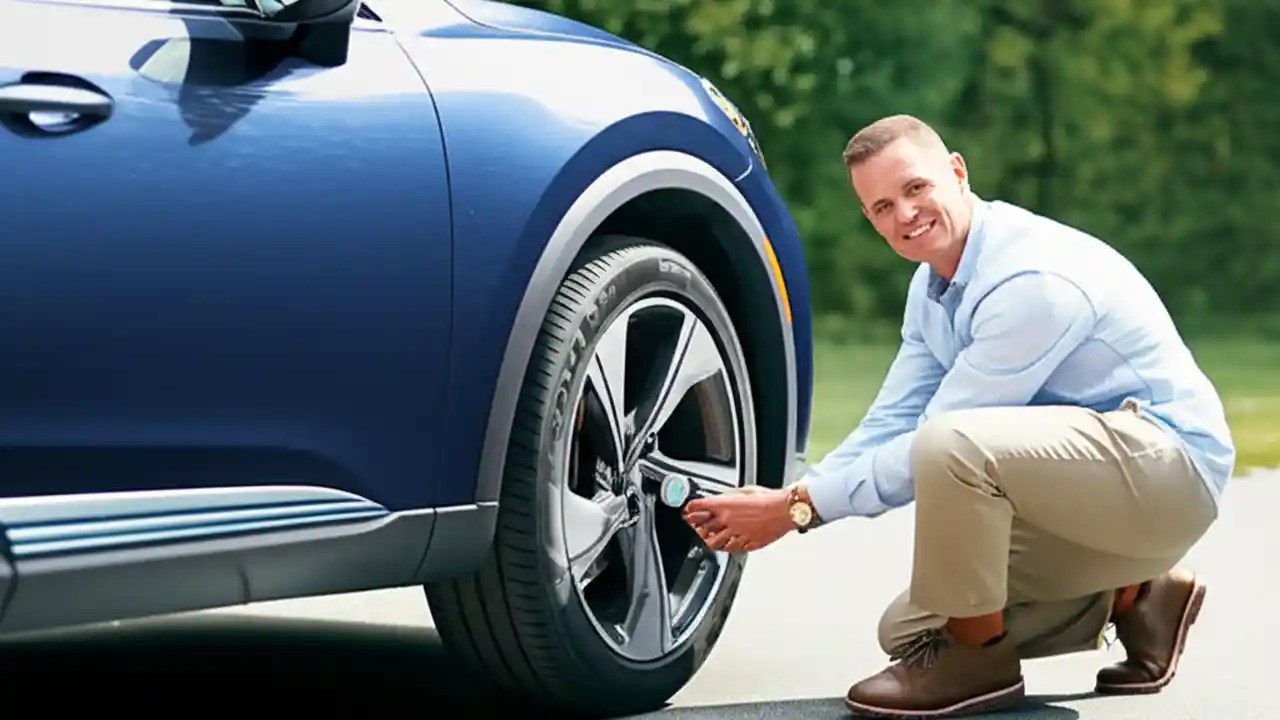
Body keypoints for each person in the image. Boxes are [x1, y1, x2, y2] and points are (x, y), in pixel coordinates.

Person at [682, 114, 1234, 718]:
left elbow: (936, 444)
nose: (904, 216)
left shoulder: (1028, 281)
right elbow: (891, 421)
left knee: (951, 449)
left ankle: (978, 667)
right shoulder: (932, 289)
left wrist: (797, 511)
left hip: (1168, 471)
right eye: (882, 207)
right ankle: (1139, 593)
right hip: (1092, 494)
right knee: (910, 633)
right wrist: (793, 494)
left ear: (957, 171)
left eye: (916, 189)